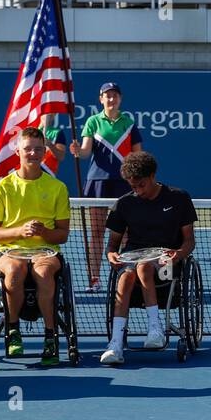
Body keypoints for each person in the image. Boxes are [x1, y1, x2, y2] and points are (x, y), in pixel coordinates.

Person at [0, 127, 71, 365]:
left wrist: (44, 232)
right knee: (14, 272)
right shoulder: (2, 187)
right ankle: (13, 331)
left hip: (46, 252)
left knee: (43, 272)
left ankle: (50, 336)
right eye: (28, 149)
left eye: (38, 149)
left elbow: (62, 235)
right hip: (9, 251)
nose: (33, 153)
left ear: (45, 152)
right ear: (18, 150)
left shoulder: (58, 188)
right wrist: (19, 231)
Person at [102, 151, 197, 366]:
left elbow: (189, 241)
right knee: (125, 278)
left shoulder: (179, 198)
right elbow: (112, 245)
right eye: (133, 187)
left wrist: (178, 255)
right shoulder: (124, 204)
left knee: (144, 268)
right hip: (133, 261)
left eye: (141, 185)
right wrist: (111, 255)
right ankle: (115, 344)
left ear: (153, 175)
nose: (137, 191)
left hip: (168, 266)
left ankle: (156, 330)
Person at [70, 81, 144, 292]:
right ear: (101, 99)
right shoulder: (93, 122)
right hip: (97, 183)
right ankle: (94, 279)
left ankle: (126, 275)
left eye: (115, 95)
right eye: (107, 95)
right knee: (97, 232)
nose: (111, 99)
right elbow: (85, 152)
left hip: (124, 183)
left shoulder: (129, 123)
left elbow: (138, 155)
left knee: (127, 232)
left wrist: (137, 179)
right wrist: (77, 150)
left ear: (120, 99)